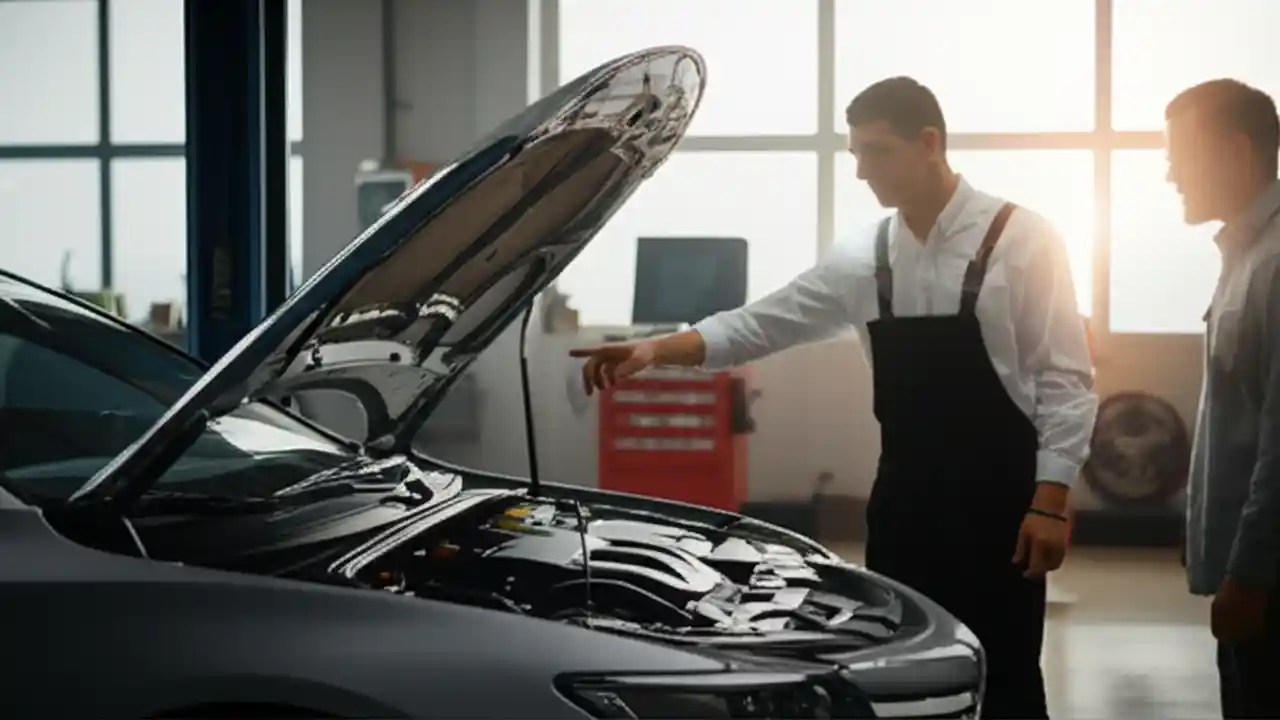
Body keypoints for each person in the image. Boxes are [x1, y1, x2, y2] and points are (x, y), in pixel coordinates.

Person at [570, 76, 1097, 718]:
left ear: (930, 143)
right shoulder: (866, 254)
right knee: (905, 673)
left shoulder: (1024, 239)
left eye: (877, 153)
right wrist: (656, 351)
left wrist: (1052, 499)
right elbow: (762, 321)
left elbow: (1064, 376)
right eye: (856, 155)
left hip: (1002, 506)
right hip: (906, 504)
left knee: (1007, 674)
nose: (861, 172)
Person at [1168, 79, 1280, 719]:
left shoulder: (1272, 264)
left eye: (1178, 154)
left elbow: (1278, 442)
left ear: (1236, 152)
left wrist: (1251, 573)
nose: (1169, 175)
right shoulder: (1243, 254)